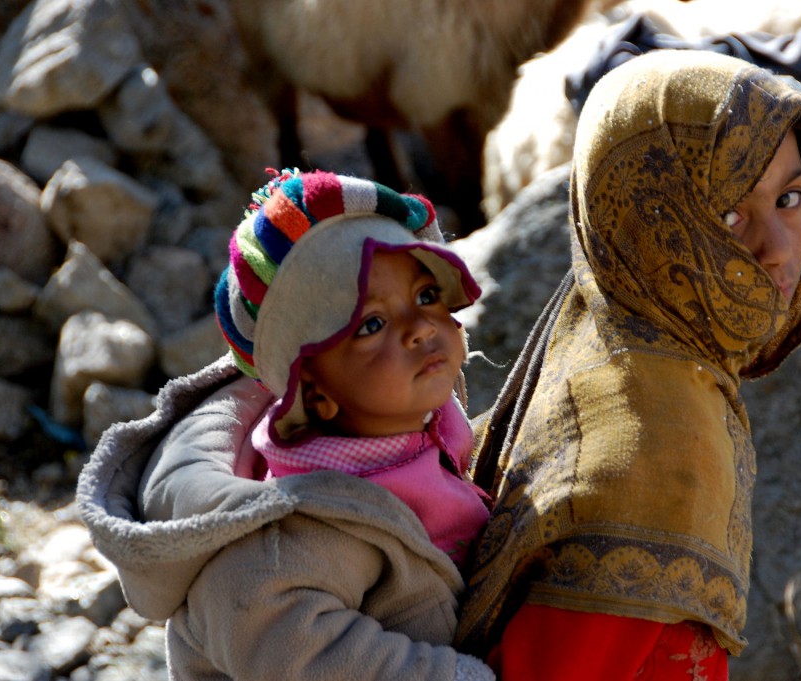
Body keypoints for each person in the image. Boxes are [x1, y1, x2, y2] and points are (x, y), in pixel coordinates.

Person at [454, 49, 801, 679]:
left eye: (791, 198)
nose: (777, 249)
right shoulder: (661, 441)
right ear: (641, 215)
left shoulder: (601, 340)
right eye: (728, 213)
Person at [76, 170, 495, 680]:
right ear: (316, 394)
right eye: (371, 325)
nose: (421, 327)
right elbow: (294, 651)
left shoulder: (419, 422)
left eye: (426, 296)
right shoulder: (300, 531)